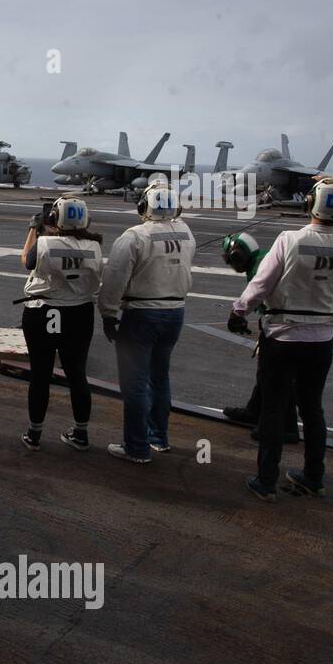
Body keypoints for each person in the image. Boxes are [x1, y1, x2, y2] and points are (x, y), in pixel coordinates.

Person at [228, 178, 333, 502]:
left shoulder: (289, 239)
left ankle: (266, 481)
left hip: (283, 338)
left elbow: (260, 285)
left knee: (273, 411)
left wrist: (238, 311)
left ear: (310, 204)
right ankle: (314, 478)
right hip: (322, 340)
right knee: (313, 410)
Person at [99, 183, 195, 463]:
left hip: (141, 314)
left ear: (144, 207)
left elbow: (114, 280)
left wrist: (108, 313)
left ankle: (136, 447)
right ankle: (158, 438)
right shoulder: (186, 232)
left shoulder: (134, 237)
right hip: (175, 312)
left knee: (135, 384)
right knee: (160, 378)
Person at [17, 197, 103, 449]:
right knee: (77, 375)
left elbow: (27, 261)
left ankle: (34, 435)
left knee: (40, 375)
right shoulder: (95, 246)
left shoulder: (44, 243)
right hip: (79, 313)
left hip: (43, 312)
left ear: (55, 218)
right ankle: (81, 433)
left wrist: (34, 228)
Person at [219, 232, 299, 444]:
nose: (231, 265)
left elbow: (259, 293)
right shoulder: (261, 257)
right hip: (288, 322)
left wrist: (238, 314)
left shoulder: (258, 266)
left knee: (279, 377)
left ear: (237, 256)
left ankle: (288, 428)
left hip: (287, 327)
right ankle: (254, 410)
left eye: (231, 260)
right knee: (267, 371)